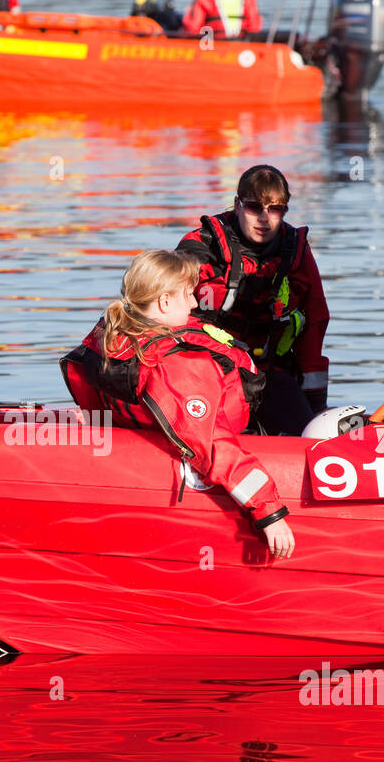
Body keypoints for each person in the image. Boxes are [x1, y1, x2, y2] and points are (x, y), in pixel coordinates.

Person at [60, 250, 295, 558]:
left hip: (146, 439)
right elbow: (212, 443)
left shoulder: (111, 335)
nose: (195, 304)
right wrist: (269, 512)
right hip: (216, 442)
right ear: (164, 302)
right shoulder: (177, 366)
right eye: (188, 295)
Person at [175, 165, 329, 435]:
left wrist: (316, 406)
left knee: (308, 434)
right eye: (254, 207)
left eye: (275, 209)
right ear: (237, 205)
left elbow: (315, 321)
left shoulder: (296, 253)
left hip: (270, 373)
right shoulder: (201, 246)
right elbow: (165, 309)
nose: (264, 218)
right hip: (209, 373)